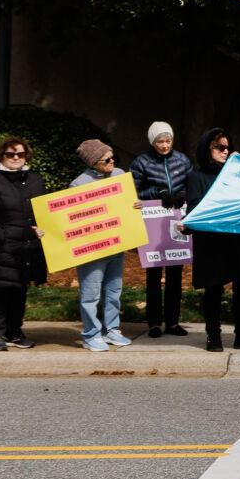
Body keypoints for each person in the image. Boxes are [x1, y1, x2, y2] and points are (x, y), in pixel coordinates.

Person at [184, 129, 240, 354]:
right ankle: (213, 335)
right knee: (213, 290)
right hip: (212, 242)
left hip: (237, 239)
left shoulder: (237, 175)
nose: (225, 151)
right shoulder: (197, 177)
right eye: (219, 147)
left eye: (227, 147)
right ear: (207, 150)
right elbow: (194, 208)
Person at [0, 137, 47, 351]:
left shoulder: (35, 179)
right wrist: (1, 236)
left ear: (26, 156)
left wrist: (44, 229)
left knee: (20, 291)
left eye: (20, 154)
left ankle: (15, 332)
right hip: (0, 248)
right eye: (10, 154)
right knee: (0, 290)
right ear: (2, 156)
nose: (16, 158)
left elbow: (45, 209)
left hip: (28, 247)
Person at [70, 141, 135, 353]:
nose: (112, 161)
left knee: (114, 290)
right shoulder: (78, 185)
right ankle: (91, 334)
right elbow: (74, 219)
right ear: (93, 163)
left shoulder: (119, 175)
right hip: (92, 249)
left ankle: (112, 329)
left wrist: (136, 204)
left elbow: (127, 203)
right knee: (91, 293)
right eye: (106, 159)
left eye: (112, 157)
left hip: (117, 244)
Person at [130, 122, 191, 339]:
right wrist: (158, 192)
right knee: (153, 275)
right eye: (160, 141)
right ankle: (154, 323)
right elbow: (134, 190)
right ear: (152, 142)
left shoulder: (182, 160)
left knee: (175, 275)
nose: (164, 145)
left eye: (168, 141)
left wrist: (182, 193)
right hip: (153, 224)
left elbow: (191, 183)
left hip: (176, 222)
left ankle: (173, 322)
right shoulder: (141, 162)